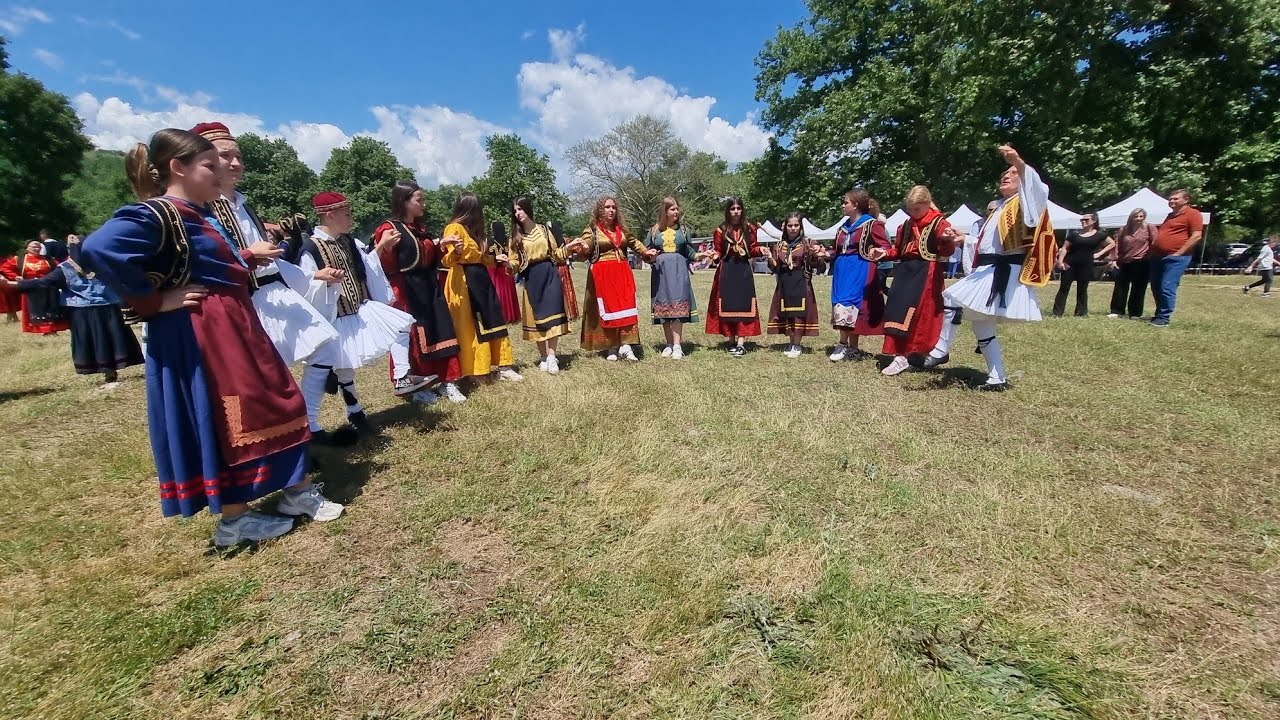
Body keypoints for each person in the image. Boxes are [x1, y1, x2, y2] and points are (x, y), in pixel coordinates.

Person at [80, 128, 342, 549]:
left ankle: (287, 495)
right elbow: (99, 247)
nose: (221, 171)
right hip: (205, 332)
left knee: (266, 404)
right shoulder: (159, 213)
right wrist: (154, 302)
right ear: (177, 168)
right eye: (209, 165)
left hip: (233, 324)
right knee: (233, 415)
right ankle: (242, 518)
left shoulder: (199, 214)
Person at [192, 122, 341, 368]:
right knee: (255, 376)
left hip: (269, 294)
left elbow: (271, 262)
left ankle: (311, 409)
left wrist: (314, 275)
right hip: (237, 303)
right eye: (225, 156)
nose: (236, 163)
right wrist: (250, 254)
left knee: (323, 350)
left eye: (239, 156)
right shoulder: (202, 208)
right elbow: (204, 263)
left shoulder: (243, 205)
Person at [910, 145, 1057, 391]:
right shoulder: (1000, 207)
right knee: (981, 323)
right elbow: (990, 244)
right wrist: (964, 239)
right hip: (989, 268)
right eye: (1005, 173)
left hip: (1003, 271)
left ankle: (940, 350)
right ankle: (997, 377)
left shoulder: (1029, 201)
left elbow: (1037, 188)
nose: (1006, 175)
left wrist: (1018, 161)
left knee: (951, 298)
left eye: (1013, 173)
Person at [298, 191, 429, 440]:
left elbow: (366, 266)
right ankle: (354, 412)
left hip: (359, 308)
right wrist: (321, 279)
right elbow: (303, 286)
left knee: (401, 323)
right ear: (329, 215)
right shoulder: (310, 249)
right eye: (346, 215)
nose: (351, 219)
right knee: (345, 369)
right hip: (334, 317)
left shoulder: (349, 241)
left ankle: (402, 376)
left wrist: (380, 248)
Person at [370, 181, 466, 404]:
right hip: (406, 290)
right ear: (404, 201)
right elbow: (380, 264)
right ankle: (417, 387)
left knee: (441, 330)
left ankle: (447, 381)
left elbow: (428, 255)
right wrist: (384, 248)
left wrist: (442, 244)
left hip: (429, 286)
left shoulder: (420, 229)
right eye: (419, 199)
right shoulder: (388, 229)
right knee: (414, 337)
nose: (424, 203)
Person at [3, 235, 143, 387]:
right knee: (110, 338)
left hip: (83, 312)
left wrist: (13, 285)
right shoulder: (103, 263)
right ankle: (111, 372)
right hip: (108, 308)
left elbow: (43, 283)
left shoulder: (65, 268)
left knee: (96, 340)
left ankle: (108, 372)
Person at [440, 192, 523, 382]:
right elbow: (447, 259)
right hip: (464, 282)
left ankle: (503, 365)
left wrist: (495, 259)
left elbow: (480, 257)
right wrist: (457, 251)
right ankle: (476, 369)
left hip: (481, 280)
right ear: (470, 210)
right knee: (472, 326)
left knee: (493, 320)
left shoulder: (473, 231)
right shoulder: (454, 228)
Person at [872, 186, 956, 376]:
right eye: (910, 209)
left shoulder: (939, 223)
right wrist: (884, 253)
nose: (913, 213)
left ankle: (911, 354)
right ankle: (900, 354)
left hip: (926, 272)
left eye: (917, 209)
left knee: (919, 314)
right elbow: (898, 251)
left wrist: (946, 239)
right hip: (905, 271)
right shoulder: (906, 225)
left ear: (927, 204)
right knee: (896, 310)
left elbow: (947, 251)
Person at [507, 197, 584, 374]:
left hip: (549, 273)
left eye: (520, 209)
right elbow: (514, 262)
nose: (518, 213)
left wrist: (570, 246)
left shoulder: (544, 230)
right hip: (531, 277)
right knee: (536, 318)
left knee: (554, 314)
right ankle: (543, 356)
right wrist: (508, 265)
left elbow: (556, 254)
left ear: (528, 209)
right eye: (515, 211)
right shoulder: (515, 237)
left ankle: (551, 356)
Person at [575, 196, 649, 361]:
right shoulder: (593, 229)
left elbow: (634, 242)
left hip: (621, 271)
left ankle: (626, 345)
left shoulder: (620, 229)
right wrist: (585, 247)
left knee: (625, 307)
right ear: (600, 210)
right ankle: (611, 347)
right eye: (607, 207)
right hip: (602, 273)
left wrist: (645, 252)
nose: (611, 210)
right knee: (607, 310)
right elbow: (586, 243)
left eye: (614, 207)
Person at [828, 189, 890, 362]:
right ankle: (842, 344)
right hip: (842, 269)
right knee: (840, 303)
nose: (843, 205)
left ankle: (851, 347)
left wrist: (881, 251)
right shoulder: (843, 227)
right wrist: (824, 253)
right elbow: (836, 249)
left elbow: (885, 245)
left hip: (860, 267)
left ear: (855, 205)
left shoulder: (871, 224)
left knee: (852, 304)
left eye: (845, 202)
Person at [704, 197, 767, 357]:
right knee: (728, 305)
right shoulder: (720, 230)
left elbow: (752, 248)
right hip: (727, 270)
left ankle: (741, 343)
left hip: (743, 270)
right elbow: (718, 251)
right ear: (728, 211)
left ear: (742, 210)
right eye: (732, 209)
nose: (736, 211)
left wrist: (760, 251)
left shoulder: (750, 229)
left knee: (743, 305)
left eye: (738, 208)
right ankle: (731, 340)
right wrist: (714, 255)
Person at [643, 197, 698, 359]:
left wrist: (701, 255)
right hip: (660, 272)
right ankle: (668, 344)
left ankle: (677, 345)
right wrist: (650, 256)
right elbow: (645, 252)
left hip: (678, 271)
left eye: (677, 209)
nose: (676, 212)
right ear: (665, 211)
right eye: (672, 209)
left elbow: (690, 252)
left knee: (677, 305)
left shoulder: (683, 230)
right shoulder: (653, 231)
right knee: (664, 306)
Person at [766, 213, 822, 357]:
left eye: (796, 225)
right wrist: (770, 259)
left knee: (799, 314)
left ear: (800, 227)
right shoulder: (779, 246)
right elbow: (775, 267)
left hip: (801, 282)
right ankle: (791, 342)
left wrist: (817, 255)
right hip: (785, 283)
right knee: (788, 313)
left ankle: (797, 344)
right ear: (785, 227)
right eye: (790, 225)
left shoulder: (808, 244)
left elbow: (817, 264)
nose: (793, 228)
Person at [1149, 189, 1204, 327]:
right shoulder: (1170, 215)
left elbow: (1196, 235)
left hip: (1176, 258)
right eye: (1170, 199)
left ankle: (1164, 318)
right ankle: (1159, 314)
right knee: (1156, 286)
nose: (1171, 201)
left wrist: (1179, 253)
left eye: (1175, 199)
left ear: (1186, 200)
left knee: (1167, 285)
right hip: (1158, 257)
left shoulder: (1193, 214)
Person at [0, 240, 70, 335]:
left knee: (49, 309)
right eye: (34, 247)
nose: (36, 248)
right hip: (29, 287)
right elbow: (5, 268)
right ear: (27, 248)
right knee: (34, 310)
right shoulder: (19, 259)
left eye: (38, 247)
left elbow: (60, 268)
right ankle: (38, 329)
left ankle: (50, 330)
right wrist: (15, 276)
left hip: (47, 287)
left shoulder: (48, 259)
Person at [1052, 212, 1112, 317]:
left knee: (1082, 289)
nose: (1083, 222)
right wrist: (1060, 261)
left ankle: (1081, 312)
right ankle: (1057, 312)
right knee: (1064, 288)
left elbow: (1112, 243)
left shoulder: (1099, 234)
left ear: (1094, 221)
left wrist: (1099, 253)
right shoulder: (1074, 234)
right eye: (1082, 220)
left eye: (1086, 220)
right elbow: (1065, 248)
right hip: (1069, 263)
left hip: (1086, 264)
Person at [1107, 209, 1156, 318]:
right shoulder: (1124, 230)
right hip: (1124, 262)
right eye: (1136, 216)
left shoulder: (1149, 228)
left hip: (1142, 262)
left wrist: (1152, 258)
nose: (1138, 219)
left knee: (1138, 288)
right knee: (1120, 287)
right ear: (1131, 217)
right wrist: (1114, 259)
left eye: (1141, 216)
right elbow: (1117, 245)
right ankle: (1117, 311)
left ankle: (1135, 313)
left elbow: (1154, 243)